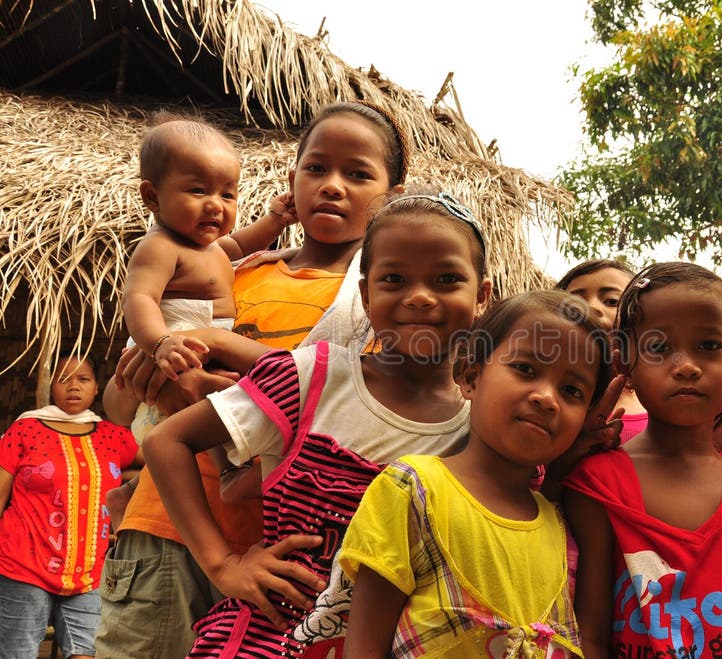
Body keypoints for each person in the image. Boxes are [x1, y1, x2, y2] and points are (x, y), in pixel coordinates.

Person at [95, 100, 409, 659]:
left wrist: (208, 385)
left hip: (283, 560)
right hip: (166, 529)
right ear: (292, 178)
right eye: (316, 168)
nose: (332, 186)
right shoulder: (222, 269)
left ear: (392, 195)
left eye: (358, 174)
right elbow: (119, 405)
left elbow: (354, 415)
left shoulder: (380, 304)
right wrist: (156, 378)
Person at [142, 189, 494, 657]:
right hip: (266, 642)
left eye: (447, 278)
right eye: (394, 279)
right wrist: (223, 565)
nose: (419, 297)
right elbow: (167, 440)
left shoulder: (481, 429)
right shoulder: (311, 378)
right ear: (366, 296)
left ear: (482, 296)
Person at [339, 289, 612, 657]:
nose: (546, 397)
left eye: (571, 390)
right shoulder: (413, 489)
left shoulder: (562, 527)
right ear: (470, 376)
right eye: (526, 369)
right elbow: (363, 648)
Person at [563, 262, 722, 659]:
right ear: (624, 363)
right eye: (659, 349)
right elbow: (590, 636)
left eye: (709, 346)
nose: (686, 366)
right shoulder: (598, 484)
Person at [107, 116, 297, 522]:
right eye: (197, 190)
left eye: (228, 194)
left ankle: (131, 491)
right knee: (204, 416)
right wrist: (159, 343)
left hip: (201, 348)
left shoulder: (211, 247)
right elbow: (139, 297)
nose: (216, 204)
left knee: (213, 416)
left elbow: (242, 242)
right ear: (152, 197)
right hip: (173, 345)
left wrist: (276, 221)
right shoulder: (160, 247)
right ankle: (230, 472)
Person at [0, 352, 139, 659]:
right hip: (23, 566)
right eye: (64, 379)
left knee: (88, 654)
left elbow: (160, 461)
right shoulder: (24, 431)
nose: (73, 386)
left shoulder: (113, 437)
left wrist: (125, 477)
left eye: (83, 379)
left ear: (97, 387)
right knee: (17, 653)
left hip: (90, 573)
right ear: (52, 386)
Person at [556, 258, 647, 442]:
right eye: (574, 303)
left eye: (612, 301)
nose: (592, 308)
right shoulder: (545, 396)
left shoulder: (658, 398)